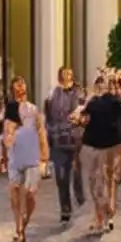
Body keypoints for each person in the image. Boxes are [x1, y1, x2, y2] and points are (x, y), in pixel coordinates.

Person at [80, 73, 121, 236]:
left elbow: (83, 118)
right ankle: (106, 215)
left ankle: (104, 214)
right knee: (108, 180)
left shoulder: (95, 103)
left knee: (97, 183)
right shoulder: (117, 102)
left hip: (97, 145)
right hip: (112, 145)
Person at [4, 76, 48, 242]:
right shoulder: (10, 109)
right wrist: (6, 145)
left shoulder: (33, 110)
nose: (20, 90)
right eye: (16, 87)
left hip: (32, 156)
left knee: (30, 194)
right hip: (15, 156)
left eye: (22, 86)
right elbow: (7, 132)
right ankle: (18, 228)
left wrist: (45, 156)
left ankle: (25, 220)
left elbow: (41, 131)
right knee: (14, 190)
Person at [44, 66, 87, 223]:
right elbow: (48, 118)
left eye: (70, 73)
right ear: (60, 76)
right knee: (61, 177)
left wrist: (81, 121)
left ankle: (81, 202)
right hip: (58, 141)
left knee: (76, 175)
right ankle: (65, 209)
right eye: (65, 73)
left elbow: (85, 114)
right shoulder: (52, 94)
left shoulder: (79, 92)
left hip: (75, 140)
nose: (68, 76)